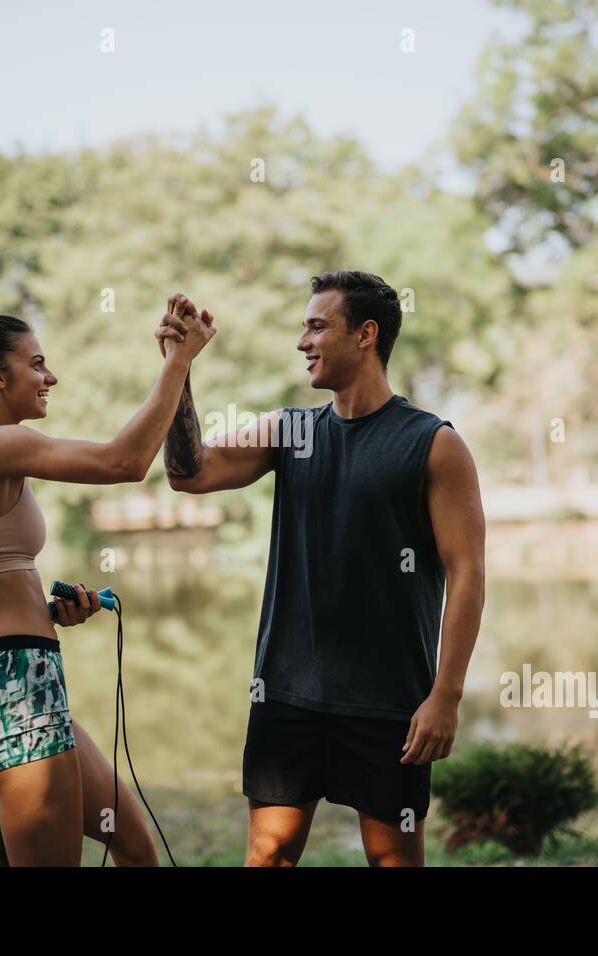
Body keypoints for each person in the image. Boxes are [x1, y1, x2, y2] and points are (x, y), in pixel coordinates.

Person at [156, 271, 485, 866]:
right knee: (268, 857)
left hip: (390, 703)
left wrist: (446, 694)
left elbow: (468, 573)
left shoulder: (434, 443)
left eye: (316, 326)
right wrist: (179, 367)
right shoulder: (290, 431)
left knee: (394, 863)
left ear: (365, 335)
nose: (302, 341)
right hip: (287, 693)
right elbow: (189, 473)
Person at [0, 297, 214, 866]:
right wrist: (178, 361)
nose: (51, 377)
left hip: (14, 684)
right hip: (17, 696)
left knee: (134, 845)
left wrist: (49, 613)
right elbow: (124, 462)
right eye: (37, 364)